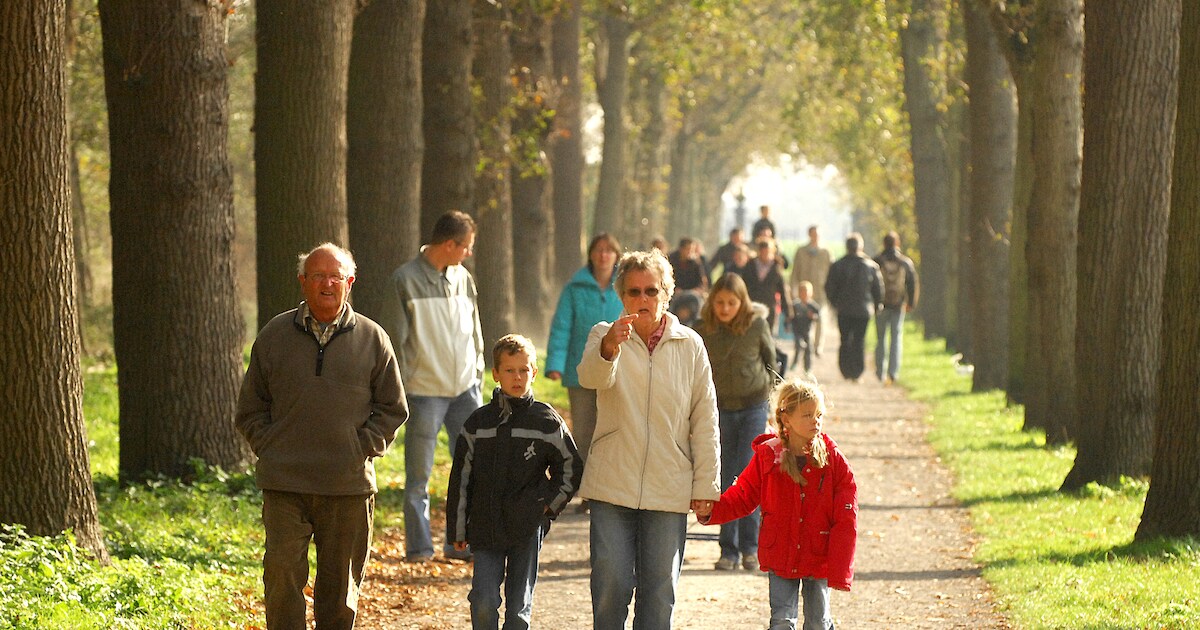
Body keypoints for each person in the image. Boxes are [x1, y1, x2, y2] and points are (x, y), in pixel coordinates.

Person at [236, 243, 408, 630]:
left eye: (335, 276)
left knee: (339, 592)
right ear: (303, 282)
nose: (326, 283)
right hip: (285, 483)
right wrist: (272, 446)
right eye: (317, 275)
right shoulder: (274, 335)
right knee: (281, 581)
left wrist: (360, 447)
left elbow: (393, 409)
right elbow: (250, 408)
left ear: (350, 282)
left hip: (347, 485)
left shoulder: (373, 338)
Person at [577, 250, 720, 629]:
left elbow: (705, 418)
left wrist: (706, 484)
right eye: (634, 292)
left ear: (666, 294)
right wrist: (609, 347)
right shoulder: (603, 335)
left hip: (668, 485)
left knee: (659, 594)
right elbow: (590, 377)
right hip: (612, 483)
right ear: (621, 296)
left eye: (651, 291)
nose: (643, 300)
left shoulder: (690, 346)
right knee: (611, 583)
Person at [447, 334, 584, 630]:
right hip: (485, 526)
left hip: (526, 526)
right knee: (483, 602)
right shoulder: (477, 424)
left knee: (518, 608)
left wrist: (547, 508)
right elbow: (460, 479)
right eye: (509, 370)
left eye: (524, 370)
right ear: (495, 374)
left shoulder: (546, 421)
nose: (517, 377)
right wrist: (458, 528)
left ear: (534, 372)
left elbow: (571, 468)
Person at [698, 379, 857, 630]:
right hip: (781, 551)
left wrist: (840, 569)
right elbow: (742, 497)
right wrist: (711, 511)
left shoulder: (832, 459)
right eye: (807, 415)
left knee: (818, 621)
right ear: (786, 419)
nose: (816, 421)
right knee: (782, 621)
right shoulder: (768, 457)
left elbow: (846, 517)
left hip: (818, 552)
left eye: (819, 415)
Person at [392, 210, 485, 562]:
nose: (469, 253)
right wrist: (399, 390)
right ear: (449, 244)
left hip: (465, 391)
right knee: (419, 475)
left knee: (472, 470)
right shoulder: (404, 280)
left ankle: (460, 544)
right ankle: (419, 548)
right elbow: (395, 342)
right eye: (466, 247)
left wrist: (477, 371)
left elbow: (475, 329)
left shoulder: (464, 278)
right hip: (424, 392)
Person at [695, 272, 775, 572]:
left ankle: (750, 547)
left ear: (742, 303)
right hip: (718, 410)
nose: (725, 308)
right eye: (720, 302)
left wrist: (769, 400)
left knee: (748, 473)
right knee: (725, 474)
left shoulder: (756, 325)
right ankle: (727, 549)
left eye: (731, 302)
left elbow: (771, 362)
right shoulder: (703, 330)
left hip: (753, 406)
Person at [545, 233, 623, 512]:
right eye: (598, 250)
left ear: (616, 256)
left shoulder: (624, 287)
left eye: (608, 250)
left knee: (612, 428)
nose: (603, 255)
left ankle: (609, 488)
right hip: (579, 372)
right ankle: (587, 489)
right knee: (584, 431)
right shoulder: (574, 288)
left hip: (617, 370)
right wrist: (554, 362)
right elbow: (562, 326)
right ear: (590, 254)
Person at [823, 233, 882, 383]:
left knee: (844, 339)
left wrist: (835, 303)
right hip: (863, 310)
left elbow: (829, 287)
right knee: (859, 341)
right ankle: (857, 372)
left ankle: (845, 370)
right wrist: (876, 305)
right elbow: (878, 289)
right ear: (860, 246)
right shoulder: (871, 266)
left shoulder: (837, 265)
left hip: (844, 309)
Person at [873, 231, 919, 385]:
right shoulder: (905, 262)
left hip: (881, 306)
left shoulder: (877, 261)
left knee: (880, 339)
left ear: (884, 244)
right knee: (896, 338)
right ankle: (893, 373)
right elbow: (912, 283)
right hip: (899, 305)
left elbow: (871, 283)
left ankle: (880, 372)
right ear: (897, 244)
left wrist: (873, 302)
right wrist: (911, 302)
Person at [790, 225, 834, 357]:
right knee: (803, 318)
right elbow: (795, 271)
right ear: (809, 235)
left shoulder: (826, 252)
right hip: (804, 292)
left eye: (818, 234)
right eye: (813, 234)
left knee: (820, 317)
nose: (815, 237)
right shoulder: (801, 251)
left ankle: (818, 346)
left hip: (821, 290)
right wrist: (793, 289)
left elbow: (832, 273)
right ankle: (803, 342)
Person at [741, 238, 793, 334]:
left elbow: (783, 291)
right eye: (762, 252)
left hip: (769, 305)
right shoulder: (750, 265)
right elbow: (743, 286)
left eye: (767, 252)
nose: (765, 255)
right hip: (753, 304)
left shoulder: (776, 268)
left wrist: (788, 312)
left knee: (768, 333)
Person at [791, 281, 821, 377]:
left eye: (806, 293)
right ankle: (795, 362)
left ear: (810, 294)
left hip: (807, 330)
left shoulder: (812, 306)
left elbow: (818, 317)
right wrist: (788, 325)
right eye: (802, 292)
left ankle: (807, 368)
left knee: (808, 349)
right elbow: (790, 317)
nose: (804, 295)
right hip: (797, 330)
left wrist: (813, 316)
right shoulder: (795, 305)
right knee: (798, 345)